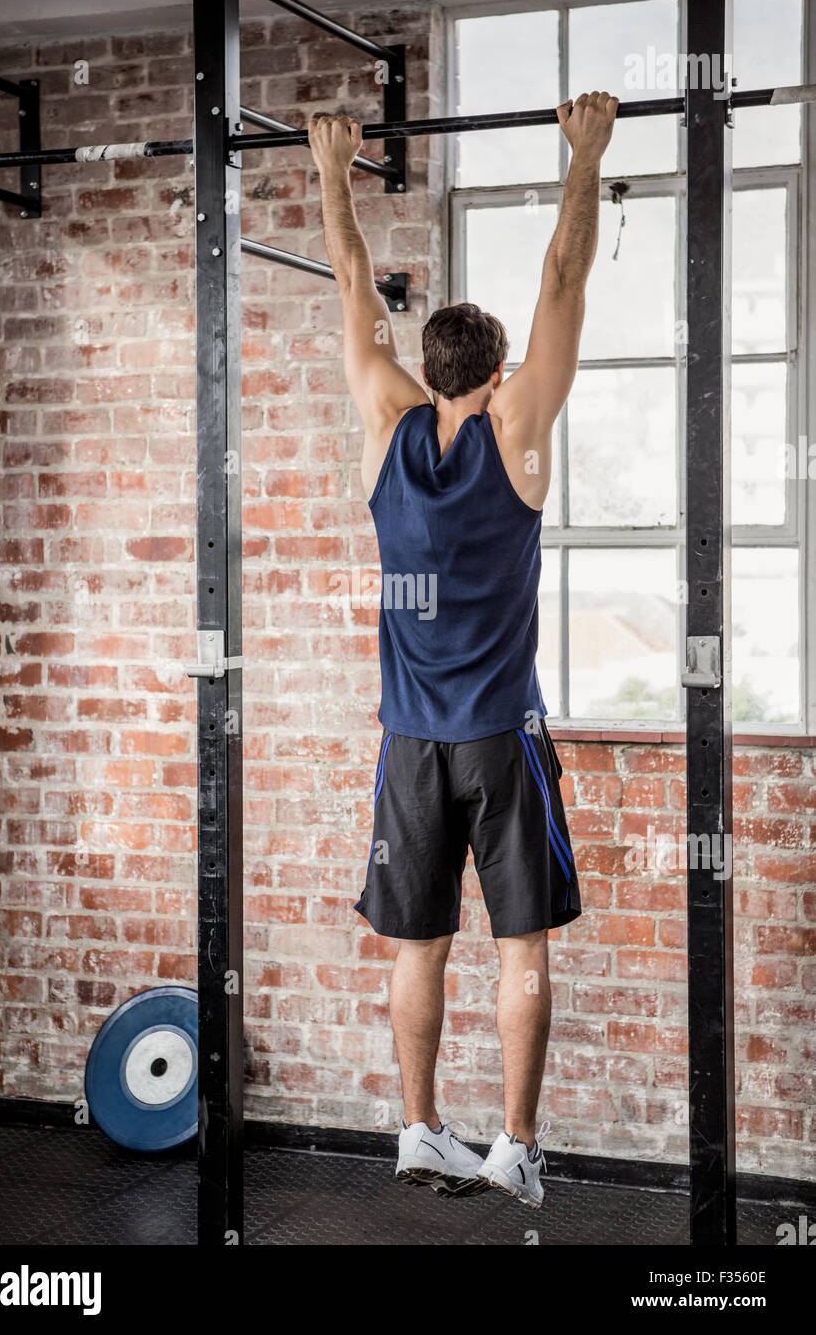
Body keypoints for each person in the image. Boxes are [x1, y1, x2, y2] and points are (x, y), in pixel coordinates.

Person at [307, 91, 619, 1206]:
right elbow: (563, 280)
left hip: (408, 748)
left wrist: (334, 173)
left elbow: (351, 286)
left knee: (416, 949)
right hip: (500, 738)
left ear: (426, 371)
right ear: (491, 375)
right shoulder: (516, 433)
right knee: (519, 944)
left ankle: (419, 1126)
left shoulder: (387, 426)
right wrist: (583, 155)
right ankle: (516, 1143)